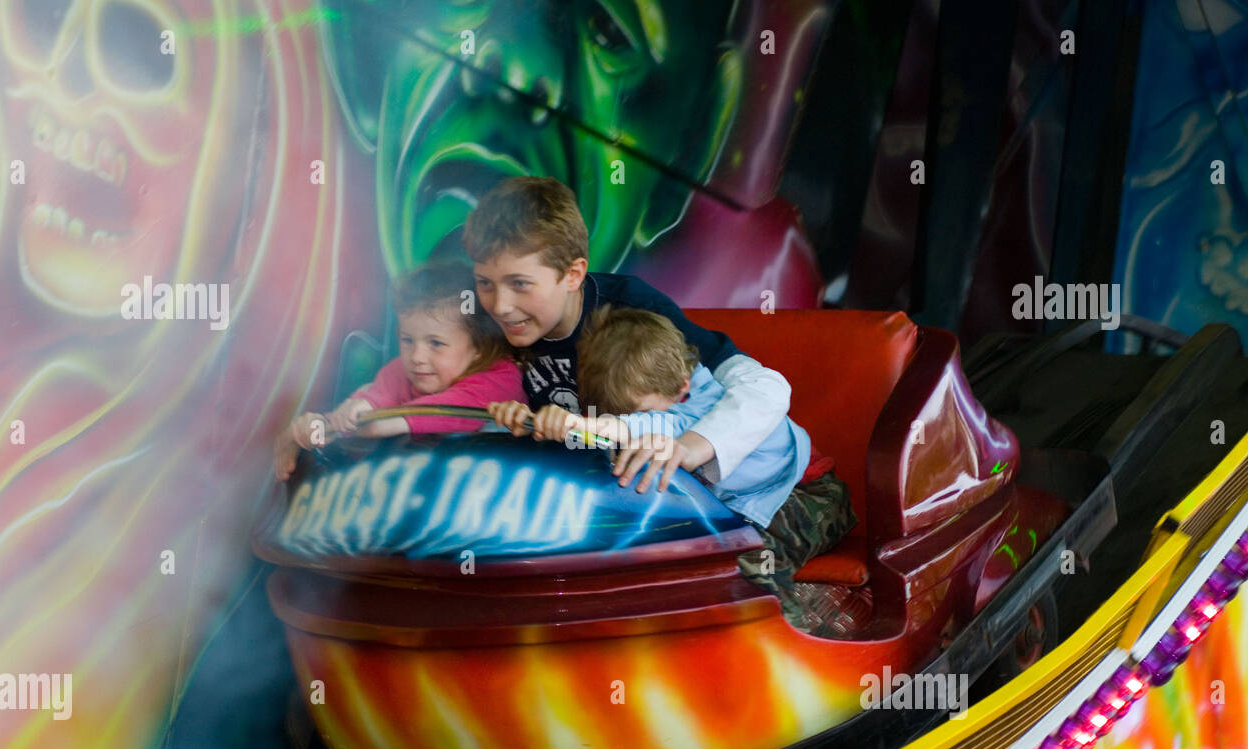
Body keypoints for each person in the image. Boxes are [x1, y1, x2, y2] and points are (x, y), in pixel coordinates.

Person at [490, 306, 857, 630]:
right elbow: (606, 430)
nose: (635, 421)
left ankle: (797, 642)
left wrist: (582, 425)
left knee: (749, 567)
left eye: (643, 412)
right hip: (735, 507)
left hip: (805, 495)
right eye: (620, 414)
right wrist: (531, 422)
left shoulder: (704, 402)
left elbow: (648, 427)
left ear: (683, 386)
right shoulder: (650, 401)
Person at [469, 175, 793, 494]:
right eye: (484, 282)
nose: (500, 306)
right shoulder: (486, 323)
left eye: (520, 284)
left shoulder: (635, 312)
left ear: (573, 275)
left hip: (764, 487)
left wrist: (689, 448)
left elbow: (765, 389)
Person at [274, 261, 524, 481]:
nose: (417, 357)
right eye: (407, 340)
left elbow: (453, 411)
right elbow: (363, 408)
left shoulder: (502, 379)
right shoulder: (401, 372)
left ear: (478, 346)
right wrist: (315, 430)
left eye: (435, 343)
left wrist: (369, 419)